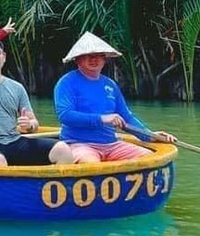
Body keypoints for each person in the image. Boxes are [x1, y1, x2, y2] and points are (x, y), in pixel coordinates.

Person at [54, 31, 177, 163]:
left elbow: (126, 118)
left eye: (98, 55)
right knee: (91, 163)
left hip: (111, 144)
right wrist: (102, 119)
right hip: (79, 144)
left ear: (104, 59)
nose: (94, 59)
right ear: (77, 59)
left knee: (149, 158)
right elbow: (65, 115)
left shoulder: (110, 85)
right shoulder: (67, 82)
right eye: (88, 56)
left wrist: (149, 135)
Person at [0, 37, 75, 166]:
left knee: (63, 150)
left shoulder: (17, 88)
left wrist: (29, 125)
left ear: (4, 57)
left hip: (14, 141)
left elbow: (34, 123)